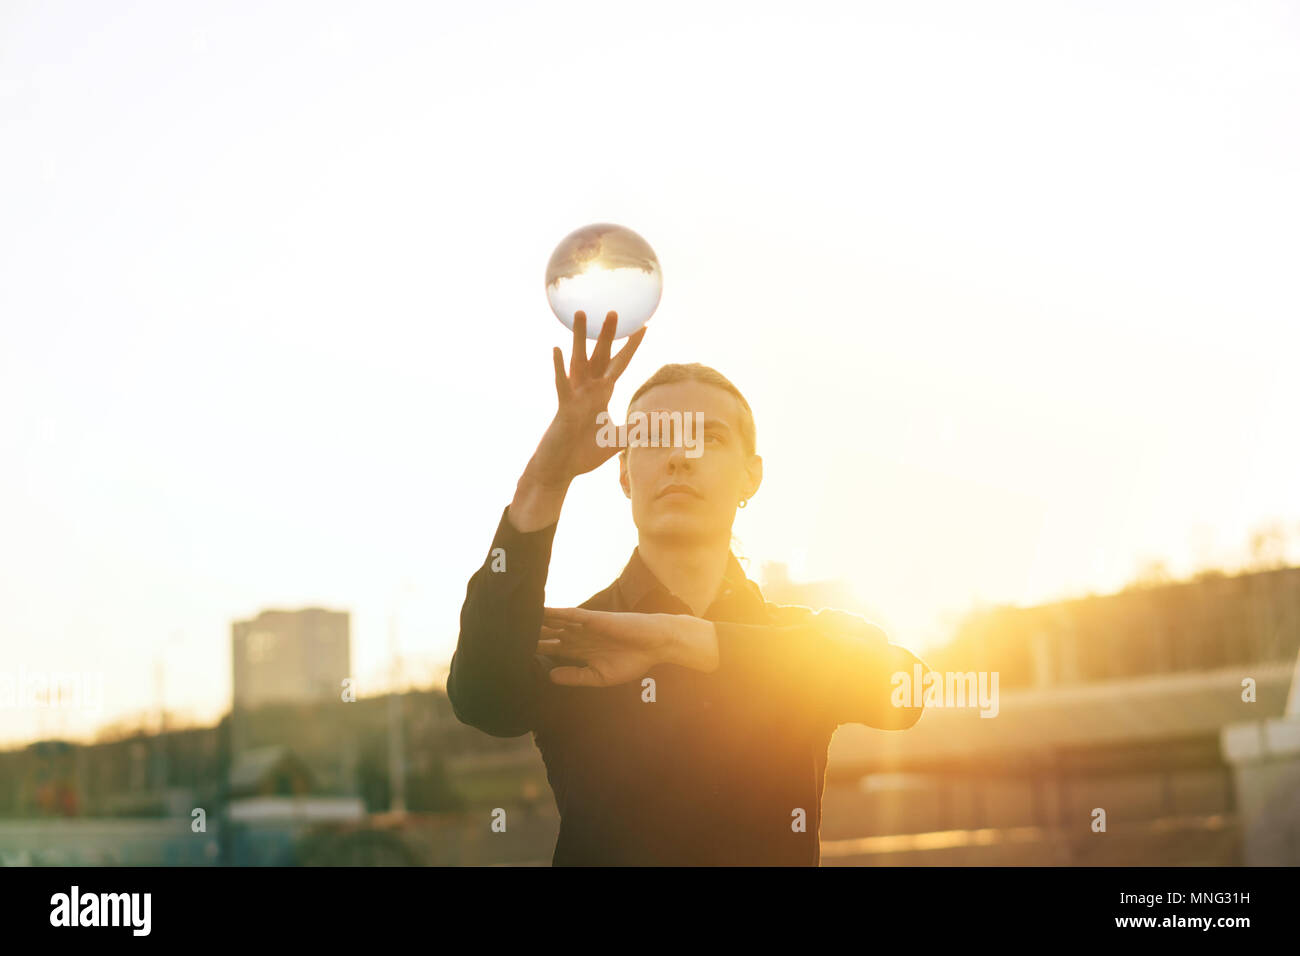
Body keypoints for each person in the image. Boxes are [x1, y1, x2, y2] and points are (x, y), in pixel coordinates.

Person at [449, 310, 932, 865]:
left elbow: (906, 689)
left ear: (750, 475)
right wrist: (545, 479)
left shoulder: (807, 638)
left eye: (708, 437)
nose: (679, 455)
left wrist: (685, 642)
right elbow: (482, 694)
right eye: (653, 438)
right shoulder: (576, 639)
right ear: (624, 473)